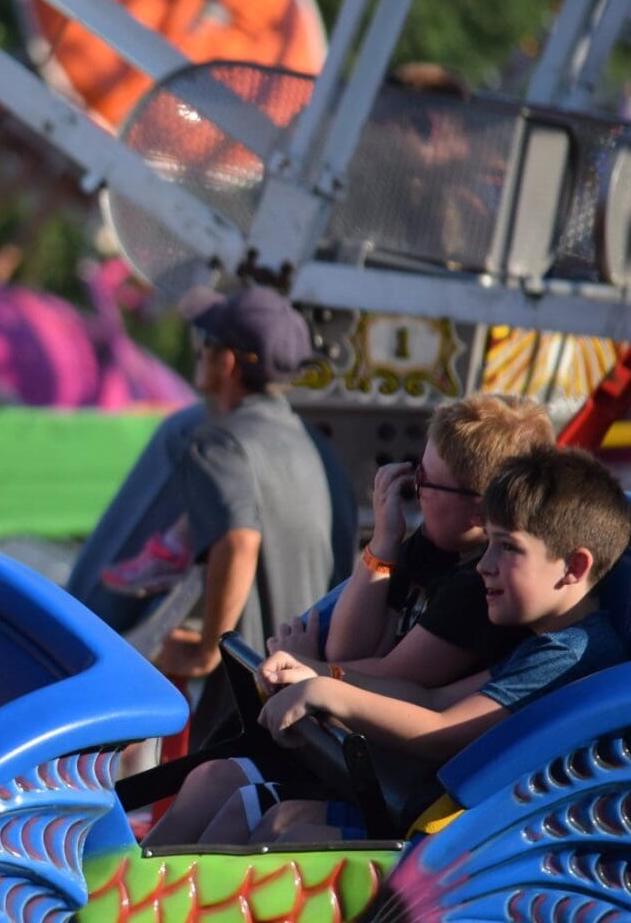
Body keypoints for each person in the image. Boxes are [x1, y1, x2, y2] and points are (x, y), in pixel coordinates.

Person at [164, 447, 631, 846]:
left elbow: (440, 728)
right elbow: (430, 698)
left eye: (507, 548)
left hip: (462, 843)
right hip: (440, 823)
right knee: (243, 807)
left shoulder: (571, 656)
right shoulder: (550, 643)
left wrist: (327, 692)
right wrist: (320, 676)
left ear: (573, 567)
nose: (484, 565)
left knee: (283, 833)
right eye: (487, 544)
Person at [270, 393, 552, 684]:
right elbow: (346, 650)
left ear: (481, 512)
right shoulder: (437, 545)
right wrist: (383, 543)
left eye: (424, 482)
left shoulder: (483, 584)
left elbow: (391, 679)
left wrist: (304, 666)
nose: (413, 491)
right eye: (415, 470)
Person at [153, 285, 334, 686]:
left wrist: (204, 651)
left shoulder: (219, 443)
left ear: (228, 362)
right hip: (299, 682)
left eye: (206, 342)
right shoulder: (310, 445)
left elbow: (238, 542)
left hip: (245, 686)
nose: (199, 351)